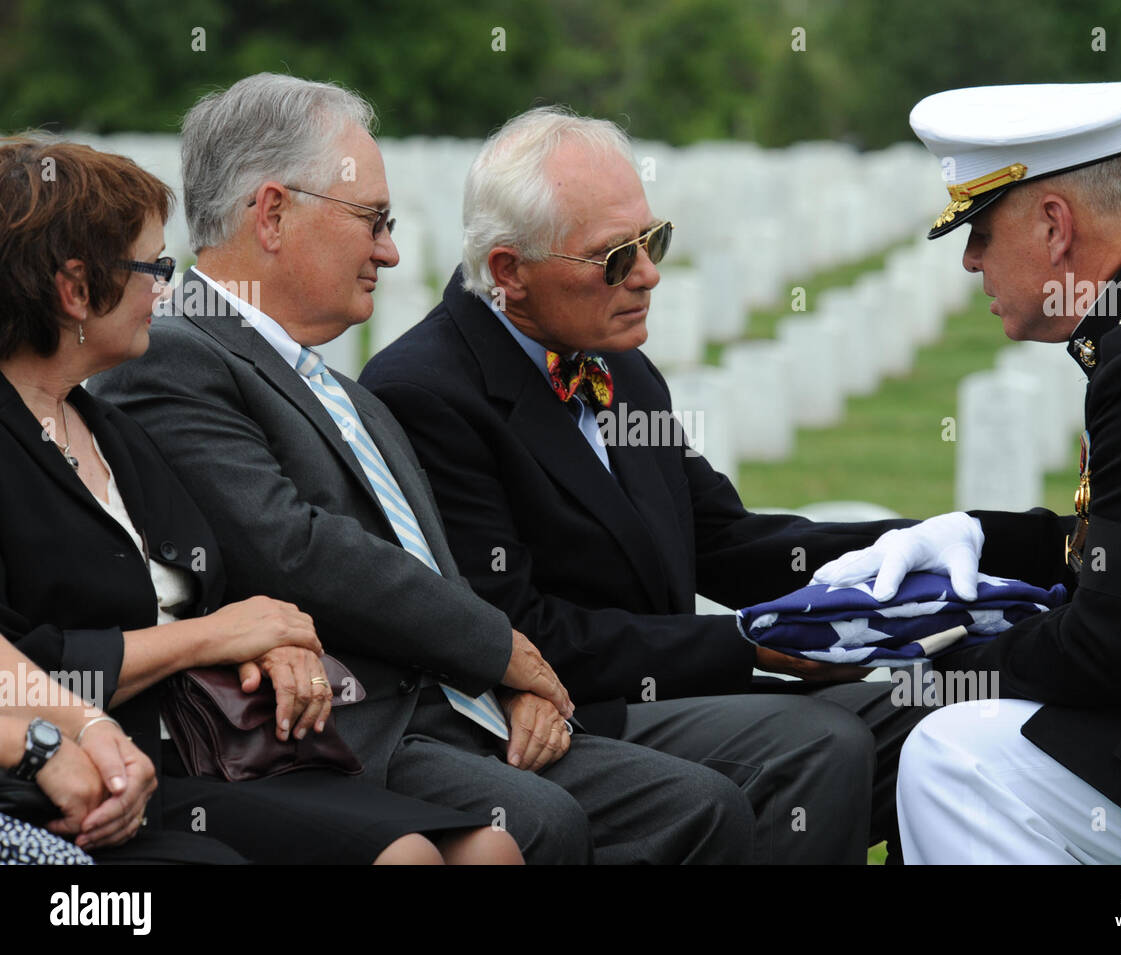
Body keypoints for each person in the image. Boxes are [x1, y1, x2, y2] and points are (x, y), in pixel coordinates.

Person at [91, 74, 755, 865]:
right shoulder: (180, 353)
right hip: (352, 726)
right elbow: (290, 544)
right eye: (372, 219)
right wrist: (500, 653)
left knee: (701, 807)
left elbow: (434, 564)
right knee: (540, 821)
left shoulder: (344, 394)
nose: (391, 250)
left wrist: (509, 682)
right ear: (273, 213)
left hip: (459, 705)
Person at [359, 105, 928, 863]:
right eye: (614, 256)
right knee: (820, 744)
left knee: (932, 707)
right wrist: (748, 640)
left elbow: (722, 537)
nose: (649, 273)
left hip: (678, 684)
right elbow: (519, 627)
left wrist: (924, 551)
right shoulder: (427, 391)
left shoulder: (616, 363)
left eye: (651, 241)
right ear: (508, 272)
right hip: (570, 715)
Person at [0, 134, 521, 865]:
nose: (165, 288)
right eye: (151, 266)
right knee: (407, 859)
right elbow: (30, 657)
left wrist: (270, 647)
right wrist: (219, 638)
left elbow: (215, 592)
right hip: (94, 771)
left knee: (489, 850)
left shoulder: (111, 431)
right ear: (75, 289)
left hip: (212, 739)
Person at [838, 81, 1121, 863]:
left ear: (1054, 225)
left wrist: (926, 662)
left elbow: (1109, 655)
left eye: (980, 228)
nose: (970, 259)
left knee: (954, 756)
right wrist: (978, 535)